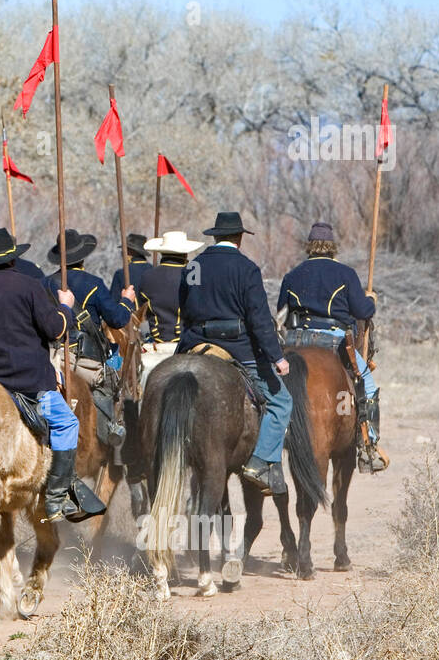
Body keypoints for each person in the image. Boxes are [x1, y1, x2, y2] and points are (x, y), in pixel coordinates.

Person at [0, 227, 106, 523]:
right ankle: (56, 498)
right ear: (14, 259)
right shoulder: (29, 287)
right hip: (26, 384)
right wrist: (65, 307)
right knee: (66, 423)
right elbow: (55, 330)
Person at [176, 212, 292, 495]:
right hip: (238, 347)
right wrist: (277, 356)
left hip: (194, 344)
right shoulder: (246, 268)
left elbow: (185, 308)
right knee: (281, 402)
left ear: (215, 236)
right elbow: (259, 317)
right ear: (240, 238)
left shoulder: (193, 266)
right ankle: (259, 461)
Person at [277, 221, 388, 471]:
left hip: (295, 341)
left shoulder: (292, 275)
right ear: (332, 247)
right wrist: (370, 301)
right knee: (366, 383)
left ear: (310, 246)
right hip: (333, 341)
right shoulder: (345, 274)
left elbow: (280, 311)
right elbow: (361, 310)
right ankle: (369, 444)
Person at [42, 228, 136, 383]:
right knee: (113, 380)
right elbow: (116, 319)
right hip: (86, 363)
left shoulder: (43, 284)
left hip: (49, 359)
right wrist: (126, 301)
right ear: (82, 257)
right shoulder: (94, 284)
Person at [137, 230, 206, 381]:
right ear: (185, 253)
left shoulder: (147, 276)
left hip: (156, 343)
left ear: (162, 253)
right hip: (186, 344)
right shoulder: (193, 274)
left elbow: (141, 314)